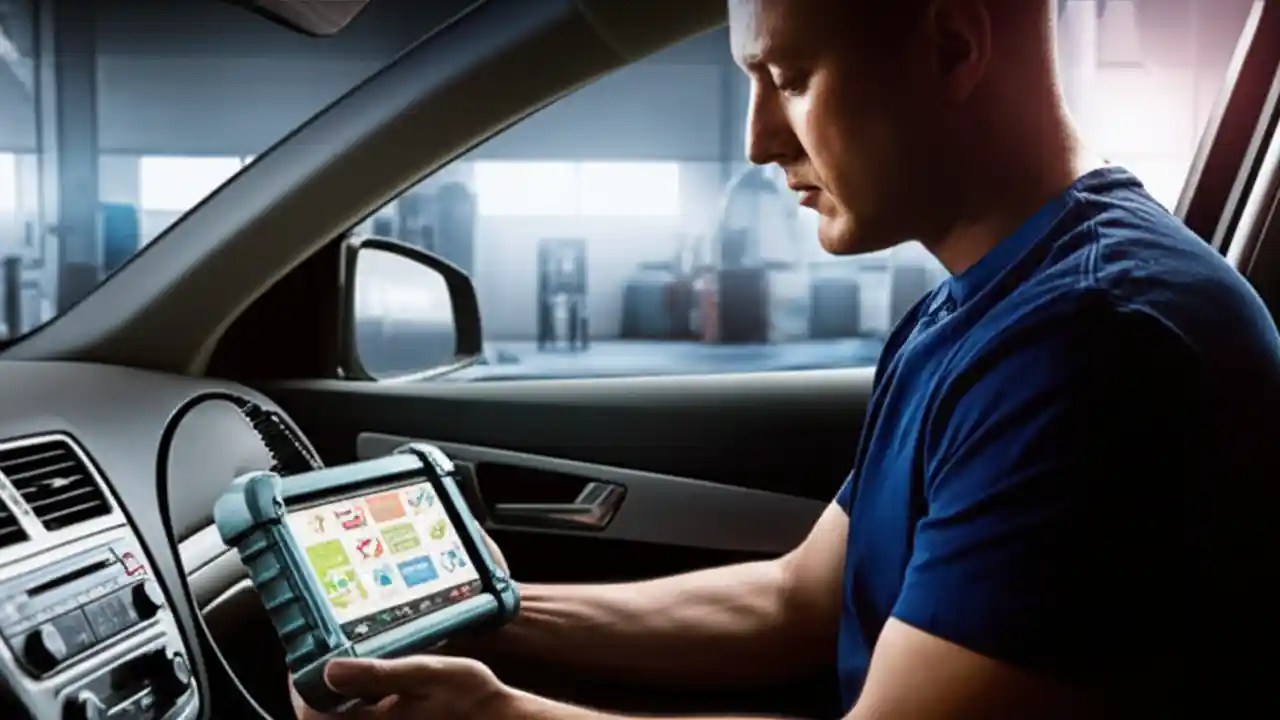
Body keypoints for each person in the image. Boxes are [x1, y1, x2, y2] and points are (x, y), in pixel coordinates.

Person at [297, 0, 1280, 717]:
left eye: (789, 80)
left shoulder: (1093, 344)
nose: (758, 140)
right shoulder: (984, 306)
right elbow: (797, 603)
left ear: (949, 43)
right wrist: (483, 611)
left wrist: (493, 717)